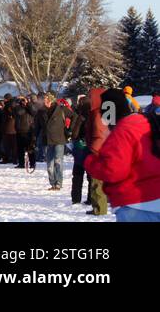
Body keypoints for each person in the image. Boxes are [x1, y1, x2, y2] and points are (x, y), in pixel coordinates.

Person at [85, 88, 160, 221]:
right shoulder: (144, 121)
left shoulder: (122, 130)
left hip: (136, 205)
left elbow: (113, 170)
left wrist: (90, 161)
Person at [40, 92, 70, 191]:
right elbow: (37, 127)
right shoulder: (41, 111)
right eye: (44, 99)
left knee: (58, 161)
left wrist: (70, 130)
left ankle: (58, 183)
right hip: (47, 140)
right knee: (49, 165)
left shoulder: (60, 109)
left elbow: (74, 116)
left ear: (50, 100)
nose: (44, 101)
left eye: (46, 99)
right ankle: (52, 183)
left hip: (59, 139)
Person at [70, 95, 90, 205]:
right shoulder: (95, 116)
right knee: (91, 175)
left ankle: (76, 198)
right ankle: (91, 198)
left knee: (77, 175)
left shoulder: (80, 116)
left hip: (80, 147)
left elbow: (75, 134)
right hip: (91, 148)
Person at [0, 95, 18, 164]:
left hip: (8, 127)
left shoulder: (8, 106)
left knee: (6, 145)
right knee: (14, 145)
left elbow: (8, 115)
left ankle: (6, 159)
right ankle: (14, 158)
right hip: (14, 128)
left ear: (6, 99)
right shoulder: (15, 104)